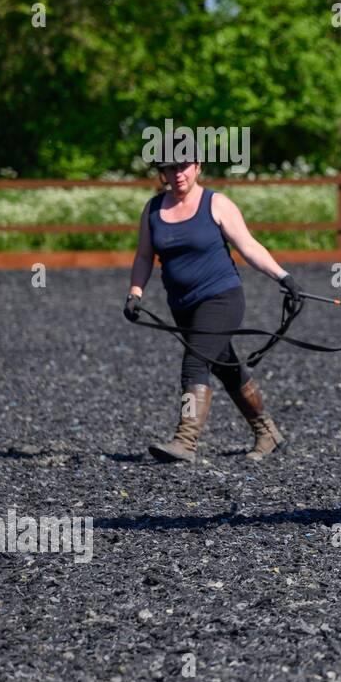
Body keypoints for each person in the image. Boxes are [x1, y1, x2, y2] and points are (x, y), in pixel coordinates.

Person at [125, 152, 299, 463]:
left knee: (194, 364)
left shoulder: (216, 204)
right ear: (161, 172)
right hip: (182, 306)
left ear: (197, 167)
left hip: (221, 298)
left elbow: (248, 246)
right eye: (169, 168)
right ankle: (268, 432)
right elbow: (143, 256)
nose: (177, 173)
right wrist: (135, 293)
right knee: (227, 367)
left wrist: (283, 277)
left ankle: (185, 441)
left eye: (183, 166)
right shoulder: (152, 210)